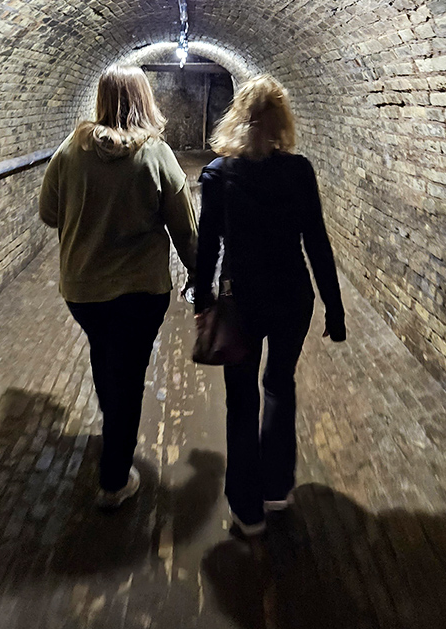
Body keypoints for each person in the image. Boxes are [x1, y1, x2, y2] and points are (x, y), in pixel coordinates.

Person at [194, 75, 346, 537]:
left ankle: (246, 508)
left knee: (241, 401)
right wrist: (333, 307)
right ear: (282, 121)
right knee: (280, 385)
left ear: (238, 116)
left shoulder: (219, 174)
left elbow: (206, 247)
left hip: (242, 299)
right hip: (292, 296)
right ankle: (277, 487)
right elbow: (316, 242)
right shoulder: (299, 170)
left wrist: (202, 300)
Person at [39, 65, 197, 509]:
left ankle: (113, 425)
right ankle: (113, 480)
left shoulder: (70, 150)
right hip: (139, 291)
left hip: (83, 290)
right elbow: (185, 229)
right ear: (144, 99)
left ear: (102, 98)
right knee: (127, 375)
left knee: (105, 356)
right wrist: (202, 278)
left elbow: (50, 212)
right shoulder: (156, 154)